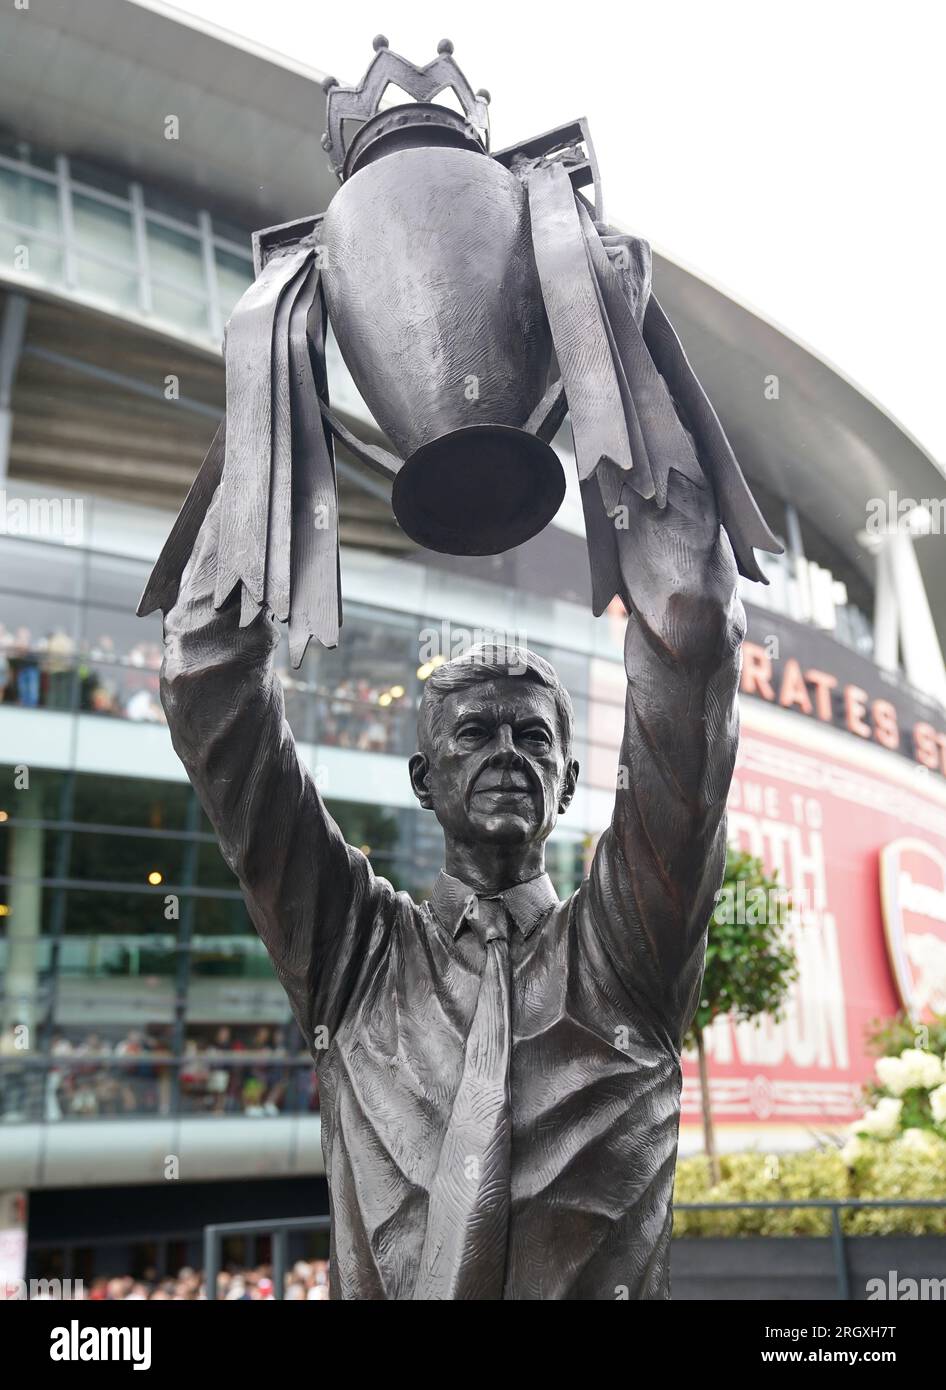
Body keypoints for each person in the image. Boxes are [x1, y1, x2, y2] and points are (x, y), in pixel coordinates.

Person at [159, 441, 746, 1301]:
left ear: (572, 786)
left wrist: (605, 360)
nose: (508, 753)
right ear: (423, 782)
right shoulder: (353, 954)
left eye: (534, 738)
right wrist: (273, 417)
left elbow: (692, 631)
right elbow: (205, 679)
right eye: (474, 734)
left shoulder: (627, 955)